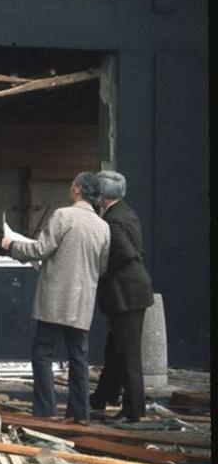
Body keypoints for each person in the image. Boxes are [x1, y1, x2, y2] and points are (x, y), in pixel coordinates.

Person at [2, 172, 109, 423]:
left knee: (42, 353)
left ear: (78, 190)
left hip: (54, 299)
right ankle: (79, 413)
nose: (70, 187)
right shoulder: (103, 227)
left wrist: (12, 246)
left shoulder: (63, 216)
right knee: (79, 359)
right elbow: (101, 267)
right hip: (82, 301)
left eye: (72, 184)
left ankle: (45, 410)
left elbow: (40, 249)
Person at [90, 171, 154, 422]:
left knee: (127, 354)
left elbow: (127, 253)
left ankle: (134, 409)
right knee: (115, 349)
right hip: (133, 290)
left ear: (102, 195)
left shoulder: (112, 221)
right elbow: (137, 249)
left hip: (125, 293)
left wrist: (103, 270)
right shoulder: (126, 212)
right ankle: (103, 396)